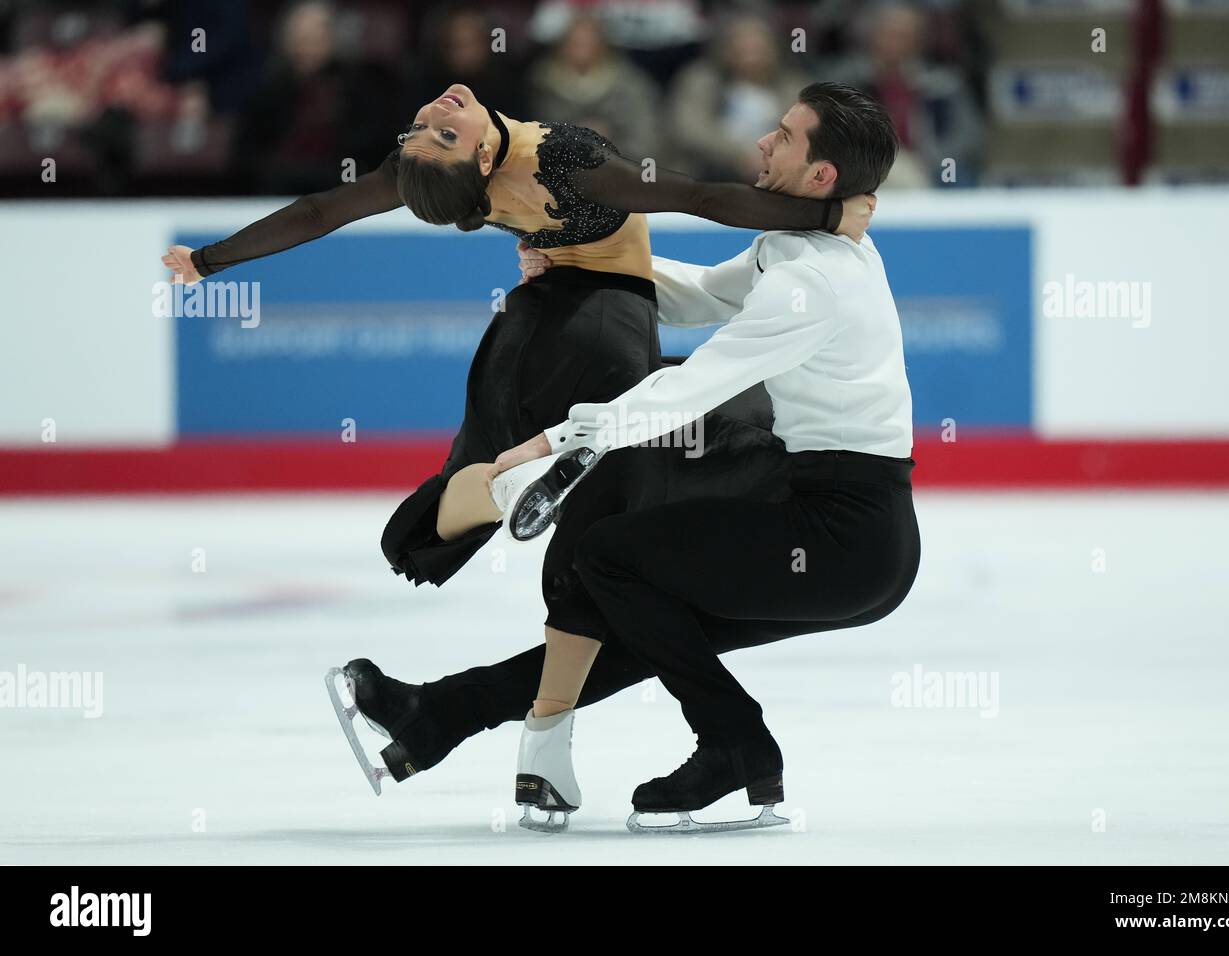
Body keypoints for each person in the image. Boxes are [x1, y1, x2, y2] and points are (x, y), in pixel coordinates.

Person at [158, 82, 871, 821]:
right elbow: (698, 197)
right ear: (475, 160)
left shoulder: (428, 174)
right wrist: (828, 215)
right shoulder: (567, 159)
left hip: (524, 333)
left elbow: (319, 212)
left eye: (430, 125)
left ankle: (470, 669)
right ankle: (546, 744)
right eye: (437, 131)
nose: (435, 113)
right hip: (606, 338)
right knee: (597, 546)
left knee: (483, 506)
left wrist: (208, 261)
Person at [349, 83, 918, 834]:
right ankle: (435, 717)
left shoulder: (812, 282)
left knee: (609, 558)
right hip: (835, 517)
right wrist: (583, 262)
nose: (762, 141)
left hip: (845, 534)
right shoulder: (795, 250)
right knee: (629, 626)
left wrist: (559, 439)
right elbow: (703, 295)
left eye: (783, 136)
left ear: (821, 177)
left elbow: (690, 388)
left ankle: (736, 744)